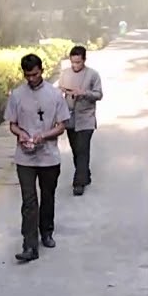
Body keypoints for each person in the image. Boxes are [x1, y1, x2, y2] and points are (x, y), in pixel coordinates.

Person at [3, 53, 71, 263]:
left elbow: (62, 126)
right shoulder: (17, 95)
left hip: (48, 156)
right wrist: (21, 134)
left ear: (41, 70)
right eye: (27, 75)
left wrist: (43, 135)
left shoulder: (54, 95)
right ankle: (29, 244)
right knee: (29, 200)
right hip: (25, 157)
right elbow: (12, 123)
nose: (31, 79)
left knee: (47, 195)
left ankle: (47, 231)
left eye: (34, 74)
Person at [59, 44, 103, 196]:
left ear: (84, 60)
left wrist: (84, 93)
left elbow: (99, 94)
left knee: (83, 149)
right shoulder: (65, 73)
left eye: (78, 62)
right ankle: (85, 174)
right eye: (72, 62)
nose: (75, 65)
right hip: (70, 118)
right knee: (76, 150)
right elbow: (60, 92)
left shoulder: (93, 75)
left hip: (86, 117)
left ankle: (78, 182)